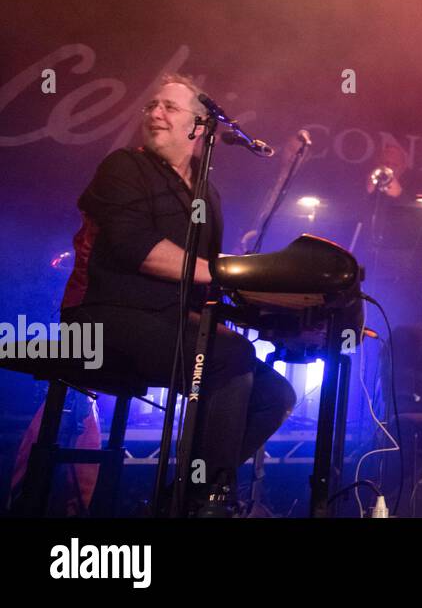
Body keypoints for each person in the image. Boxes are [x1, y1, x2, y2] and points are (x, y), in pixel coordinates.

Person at [60, 72, 296, 516]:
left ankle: (183, 496)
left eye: (169, 107)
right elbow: (137, 250)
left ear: (201, 126)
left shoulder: (208, 192)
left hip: (169, 321)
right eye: (151, 105)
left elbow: (206, 284)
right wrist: (225, 274)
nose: (154, 113)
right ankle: (206, 502)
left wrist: (273, 305)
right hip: (103, 317)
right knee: (229, 355)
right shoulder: (124, 167)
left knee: (277, 397)